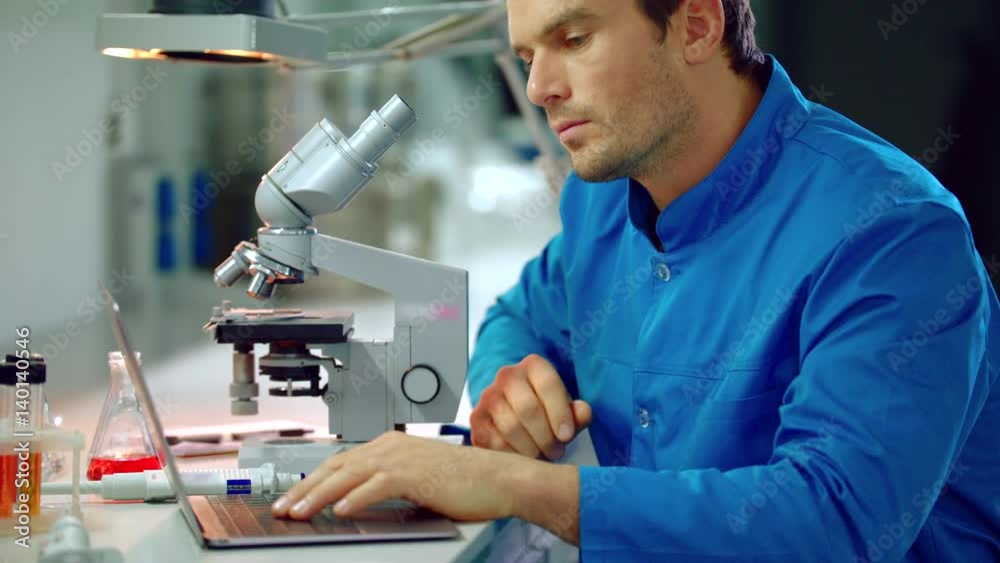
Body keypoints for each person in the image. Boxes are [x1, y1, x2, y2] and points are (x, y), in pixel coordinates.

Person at [273, 0, 1000, 560]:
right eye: (526, 54)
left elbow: (835, 518)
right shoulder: (603, 197)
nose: (537, 87)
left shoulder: (891, 229)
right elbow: (521, 315)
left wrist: (518, 485)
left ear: (696, 25)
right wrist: (514, 383)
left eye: (573, 39)